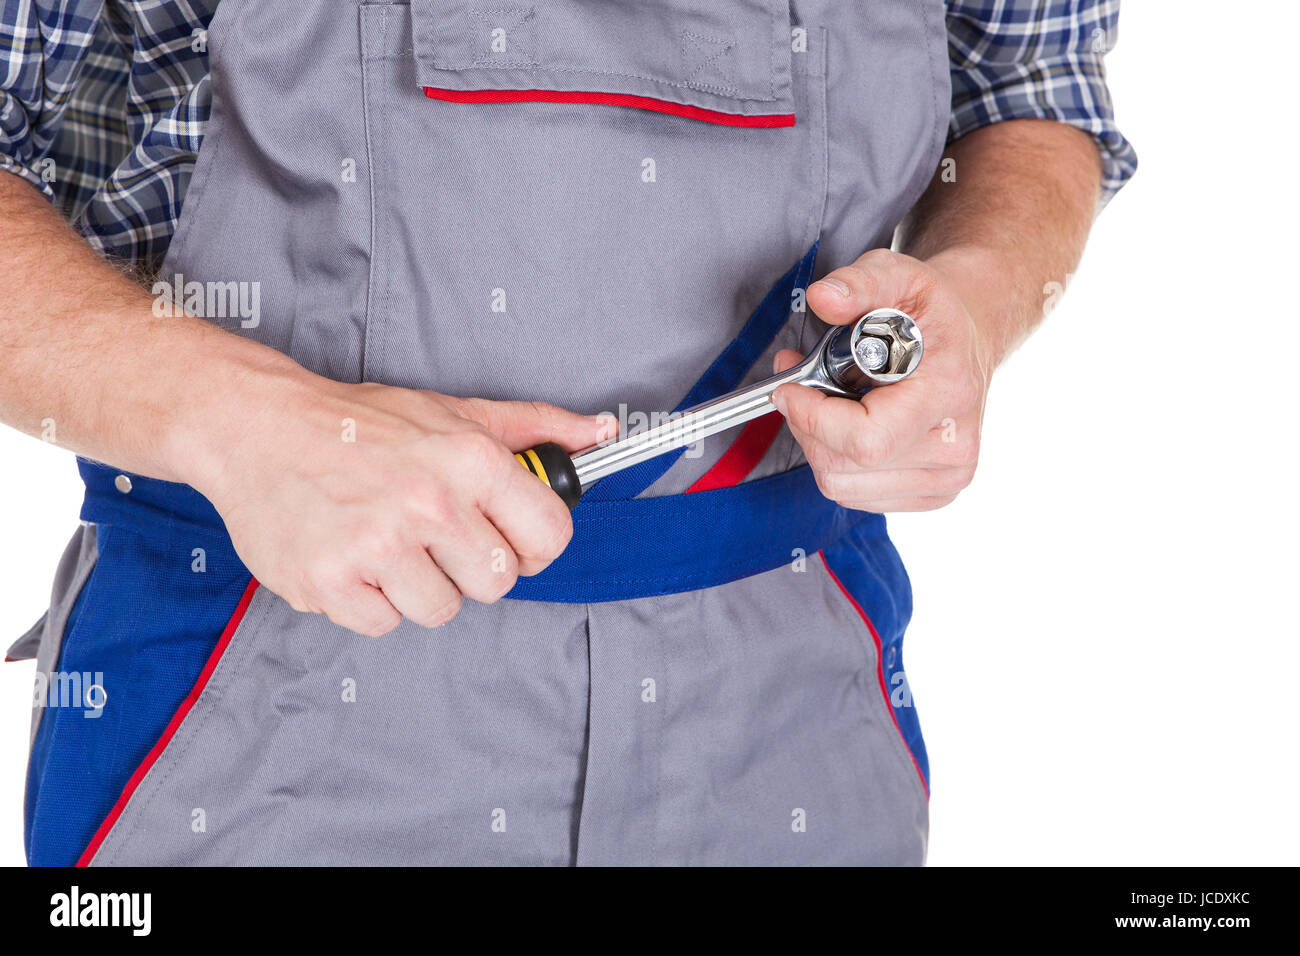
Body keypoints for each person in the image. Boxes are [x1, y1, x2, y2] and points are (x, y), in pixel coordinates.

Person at [1, 0, 1135, 865]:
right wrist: (244, 420)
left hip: (793, 712)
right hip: (259, 705)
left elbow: (1026, 88)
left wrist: (975, 302)